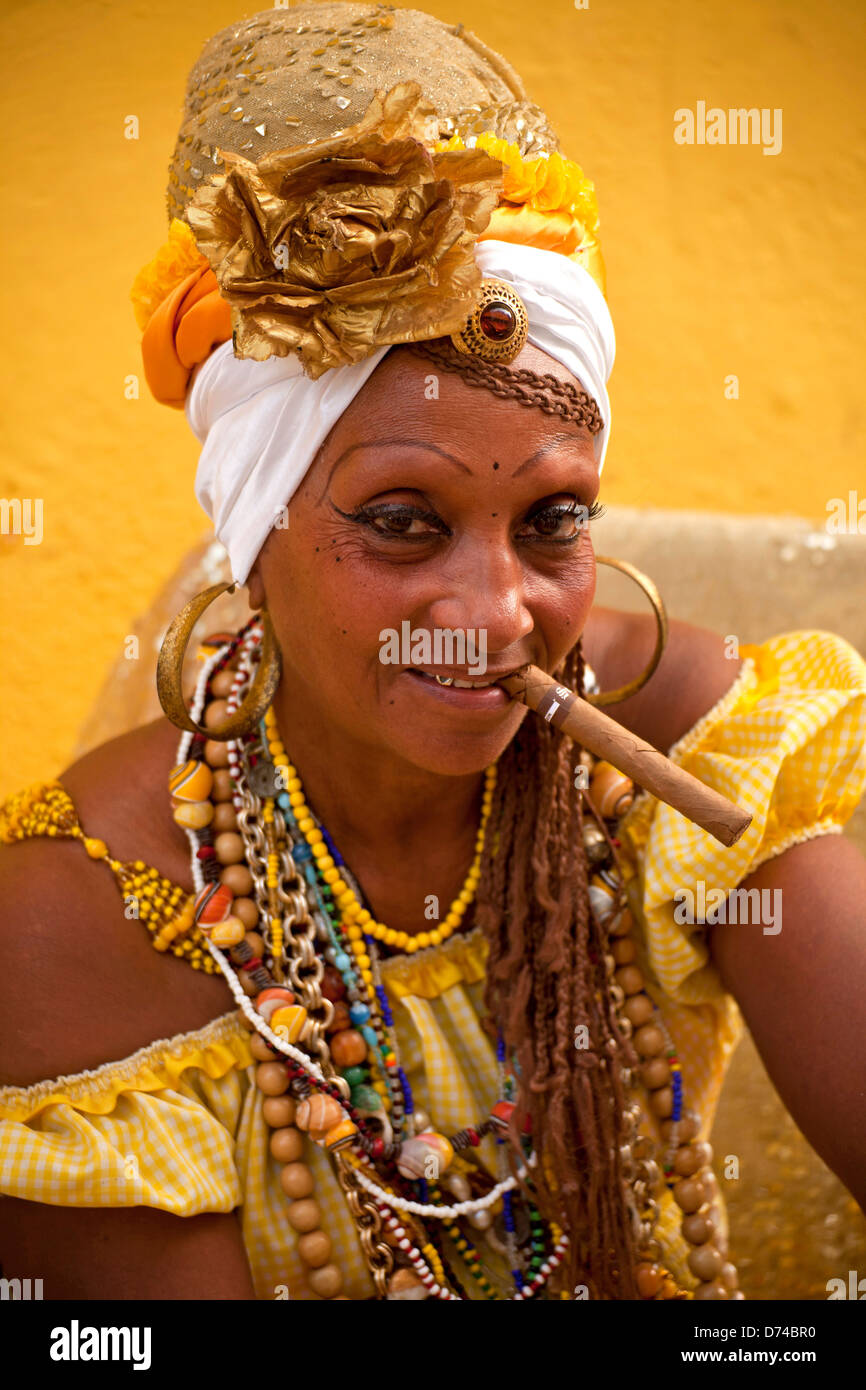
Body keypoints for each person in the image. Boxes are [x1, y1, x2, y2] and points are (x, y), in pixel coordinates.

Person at [1, 2, 865, 1302]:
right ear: (251, 534)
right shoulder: (70, 922)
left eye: (550, 521)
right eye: (403, 524)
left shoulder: (682, 735)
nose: (496, 612)